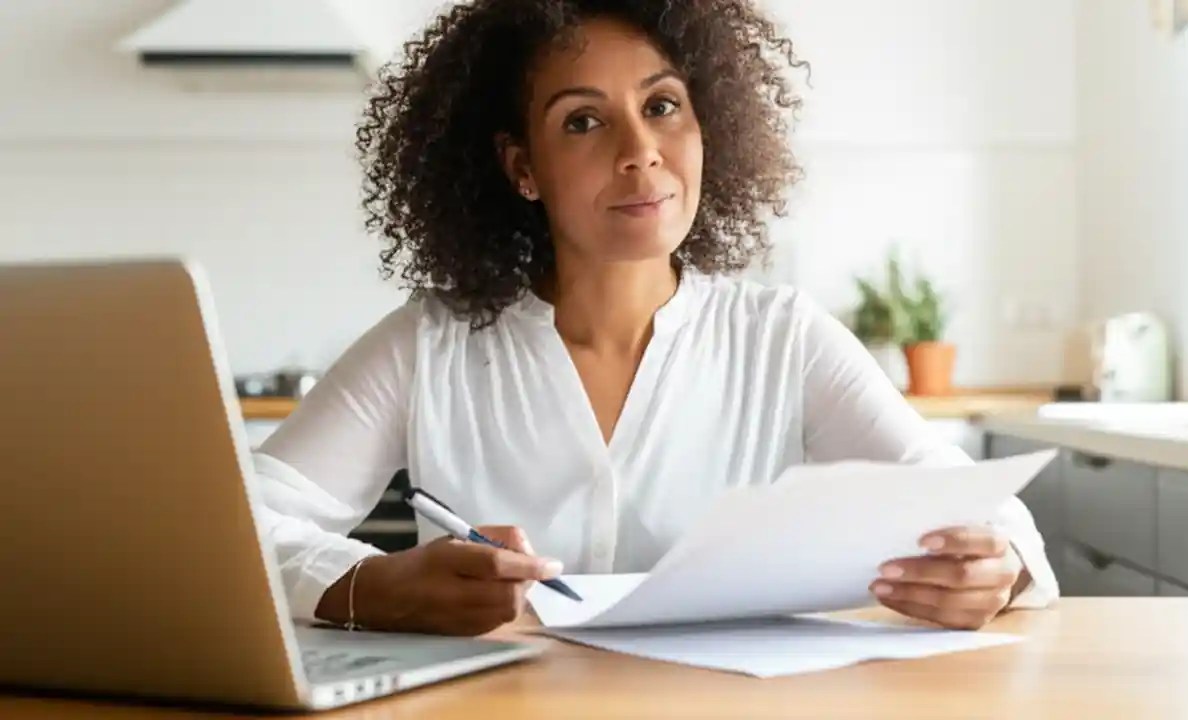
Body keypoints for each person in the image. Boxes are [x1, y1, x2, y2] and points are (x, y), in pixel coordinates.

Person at [252, 0, 1058, 638]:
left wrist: (1001, 566)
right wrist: (370, 586)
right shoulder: (428, 344)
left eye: (663, 105)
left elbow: (980, 508)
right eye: (583, 120)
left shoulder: (784, 338)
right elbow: (240, 524)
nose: (640, 149)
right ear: (522, 167)